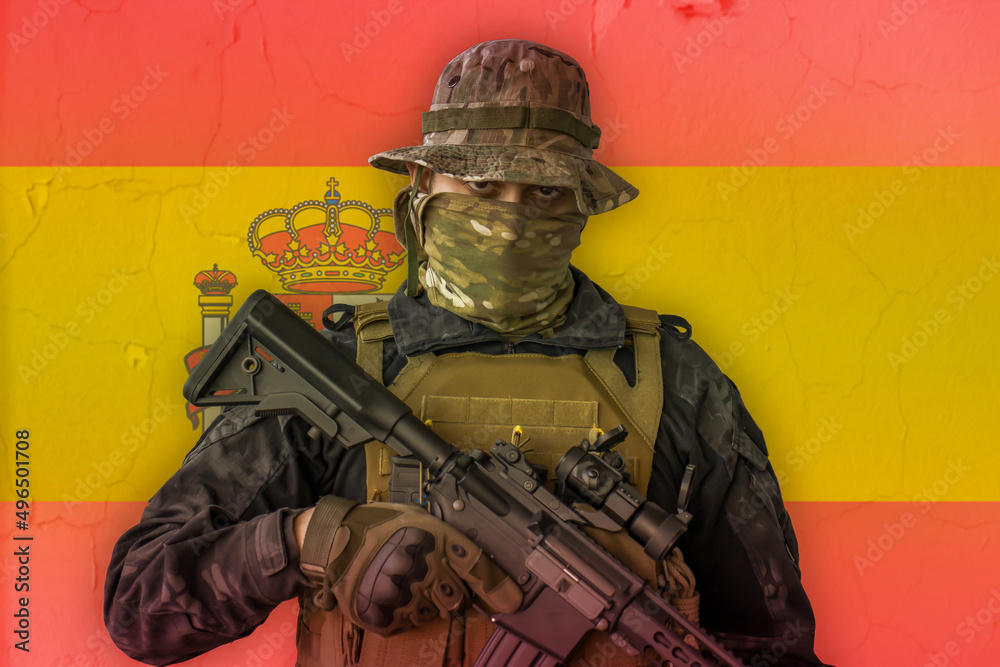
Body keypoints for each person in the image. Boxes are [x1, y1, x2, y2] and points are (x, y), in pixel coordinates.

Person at [105, 39, 830, 667]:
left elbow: (770, 642)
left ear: (580, 205)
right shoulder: (345, 370)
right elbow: (142, 605)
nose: (511, 216)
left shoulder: (676, 384)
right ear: (421, 189)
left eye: (544, 192)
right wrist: (309, 538)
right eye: (481, 184)